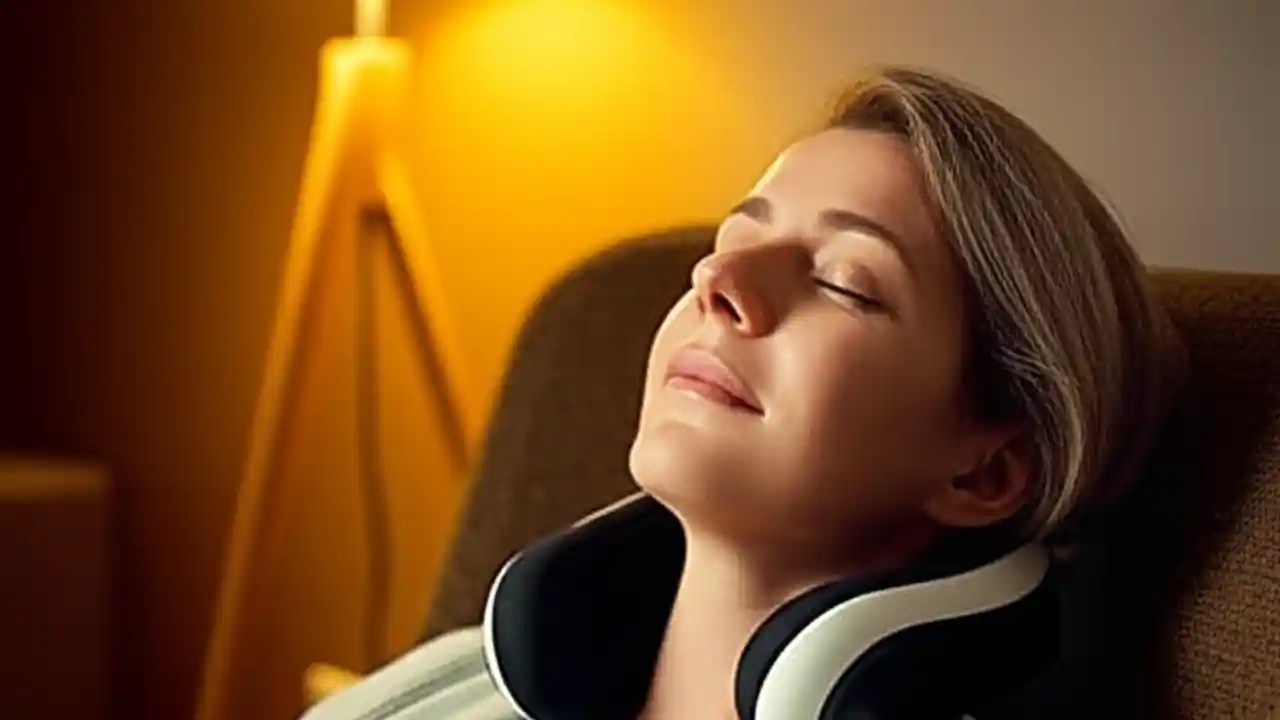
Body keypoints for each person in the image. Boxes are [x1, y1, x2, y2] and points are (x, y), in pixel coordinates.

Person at [301, 65, 1183, 720]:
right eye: (732, 241)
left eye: (844, 282)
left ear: (984, 471)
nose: (718, 280)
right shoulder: (439, 688)